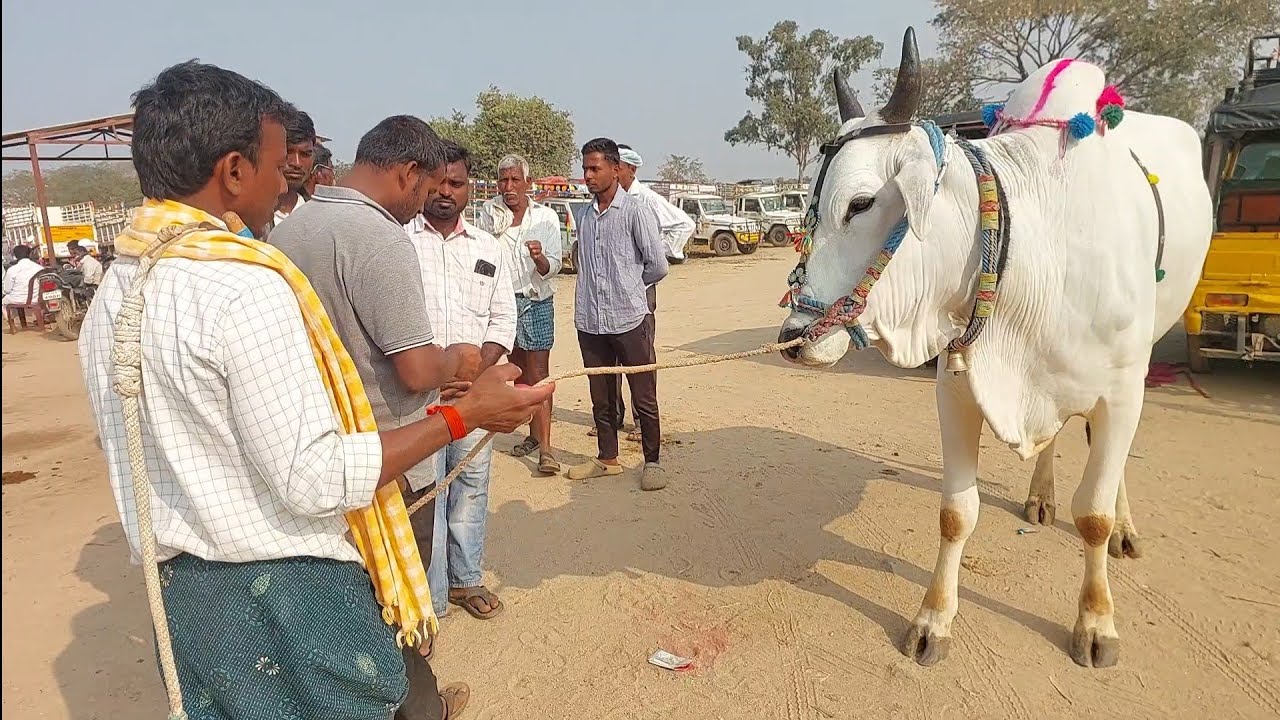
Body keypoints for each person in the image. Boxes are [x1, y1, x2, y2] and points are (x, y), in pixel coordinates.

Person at [79, 61, 550, 720]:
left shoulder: (115, 291)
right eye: (278, 166)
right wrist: (464, 413)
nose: (287, 182)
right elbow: (316, 475)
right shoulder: (244, 285)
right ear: (234, 171)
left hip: (184, 595)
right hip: (284, 589)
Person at [270, 114, 496, 719]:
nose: (426, 202)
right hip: (387, 459)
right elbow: (417, 370)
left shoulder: (293, 230)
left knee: (338, 610)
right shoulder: (377, 236)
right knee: (392, 606)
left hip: (317, 452)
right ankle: (419, 709)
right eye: (426, 188)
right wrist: (458, 360)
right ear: (408, 173)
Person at [404, 141, 516, 627]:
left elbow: (503, 319)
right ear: (423, 183)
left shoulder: (489, 248)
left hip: (474, 393)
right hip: (418, 397)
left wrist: (472, 375)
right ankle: (428, 599)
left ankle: (466, 578)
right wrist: (436, 377)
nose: (446, 192)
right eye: (439, 182)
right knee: (426, 492)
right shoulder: (400, 243)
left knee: (470, 482)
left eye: (457, 183)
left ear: (470, 188)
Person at [567, 137, 668, 490]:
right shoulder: (584, 216)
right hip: (590, 322)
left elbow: (657, 265)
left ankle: (652, 462)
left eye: (595, 168)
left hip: (630, 320)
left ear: (615, 168)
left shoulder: (636, 211)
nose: (588, 176)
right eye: (585, 169)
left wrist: (630, 289)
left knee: (643, 394)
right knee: (602, 395)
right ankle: (607, 458)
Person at [586, 144, 693, 442]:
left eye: (616, 167)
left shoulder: (645, 200)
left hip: (639, 292)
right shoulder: (597, 205)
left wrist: (653, 259)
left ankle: (641, 422)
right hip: (606, 297)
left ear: (629, 170)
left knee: (639, 358)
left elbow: (684, 225)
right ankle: (613, 417)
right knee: (608, 357)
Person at [475, 154, 563, 474]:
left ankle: (546, 450)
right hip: (502, 304)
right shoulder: (489, 213)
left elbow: (554, 266)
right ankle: (533, 435)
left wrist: (539, 258)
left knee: (539, 374)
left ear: (528, 183)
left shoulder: (545, 217)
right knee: (518, 371)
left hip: (536, 300)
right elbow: (481, 257)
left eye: (515, 180)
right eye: (503, 180)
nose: (509, 186)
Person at [265, 109, 317, 235]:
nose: (297, 163)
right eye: (288, 152)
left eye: (305, 154)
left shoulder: (320, 217)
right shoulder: (249, 217)